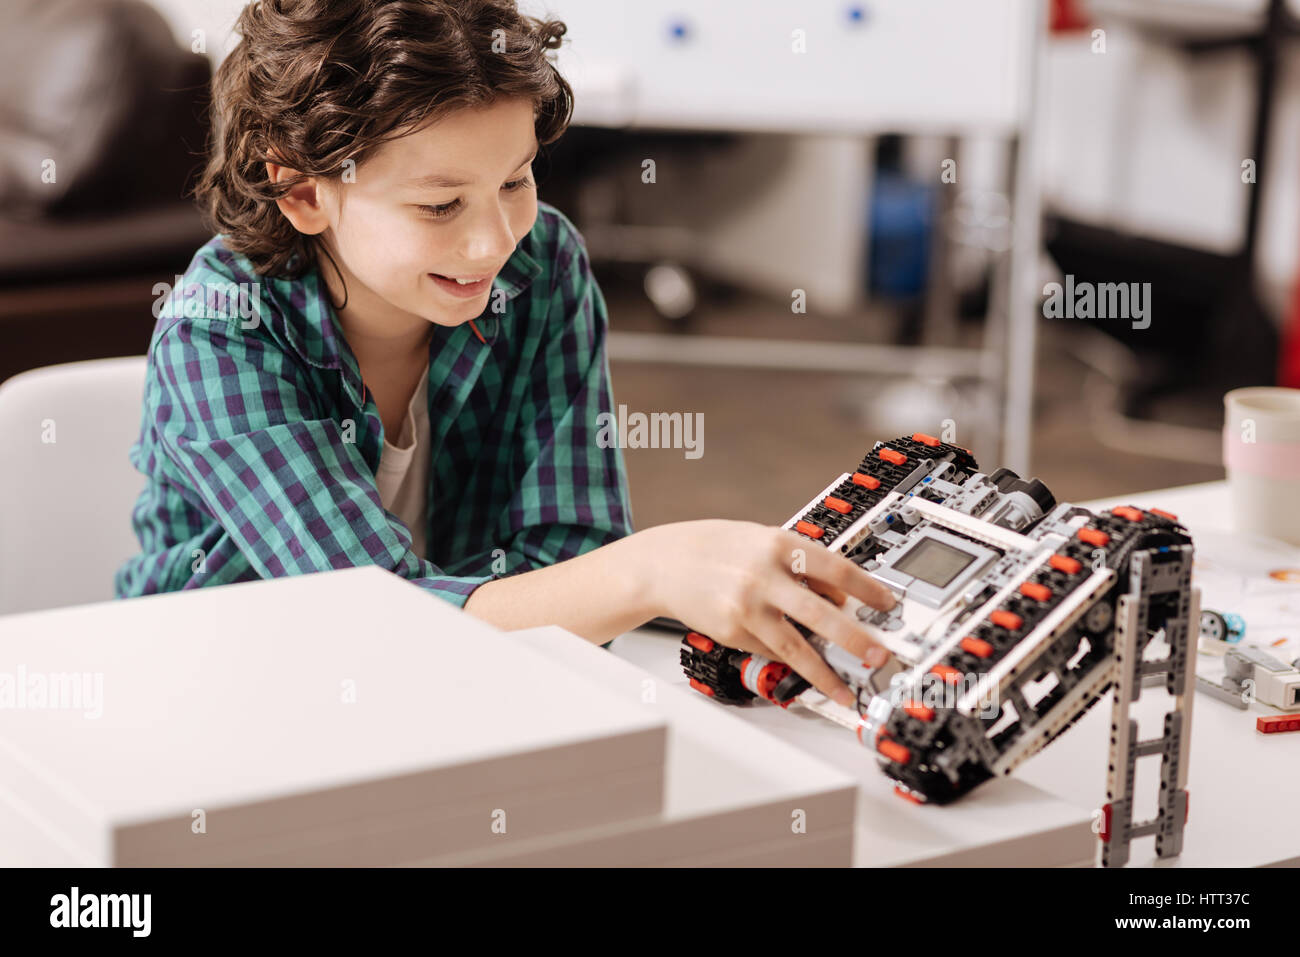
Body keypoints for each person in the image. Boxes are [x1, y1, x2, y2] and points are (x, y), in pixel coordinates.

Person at [114, 0, 895, 707]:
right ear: (304, 192)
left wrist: (606, 585)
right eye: (439, 204)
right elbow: (373, 618)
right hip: (227, 698)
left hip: (468, 691)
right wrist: (648, 570)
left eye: (515, 181)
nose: (493, 242)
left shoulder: (542, 264)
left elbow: (569, 554)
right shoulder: (221, 327)